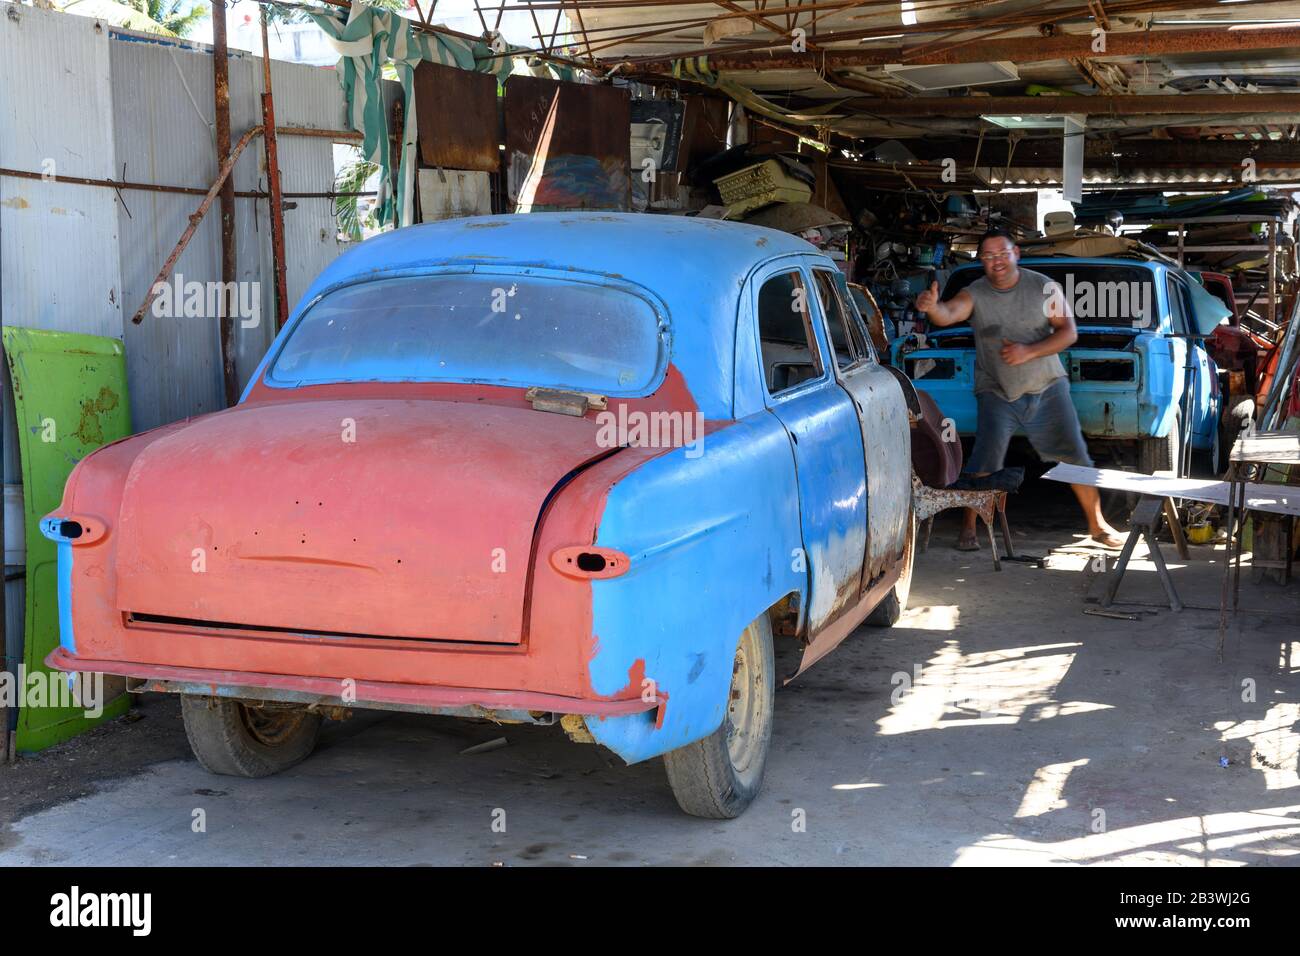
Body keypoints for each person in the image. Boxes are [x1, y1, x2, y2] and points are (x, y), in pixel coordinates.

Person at [914, 228, 1123, 550]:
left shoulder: (1043, 287)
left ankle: (1097, 525)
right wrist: (932, 307)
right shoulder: (976, 292)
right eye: (988, 255)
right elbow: (949, 314)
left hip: (1048, 388)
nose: (996, 261)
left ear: (1016, 254)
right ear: (981, 259)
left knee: (1075, 458)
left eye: (1002, 253)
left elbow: (1068, 332)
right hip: (996, 390)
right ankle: (969, 528)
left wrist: (1029, 351)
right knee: (984, 462)